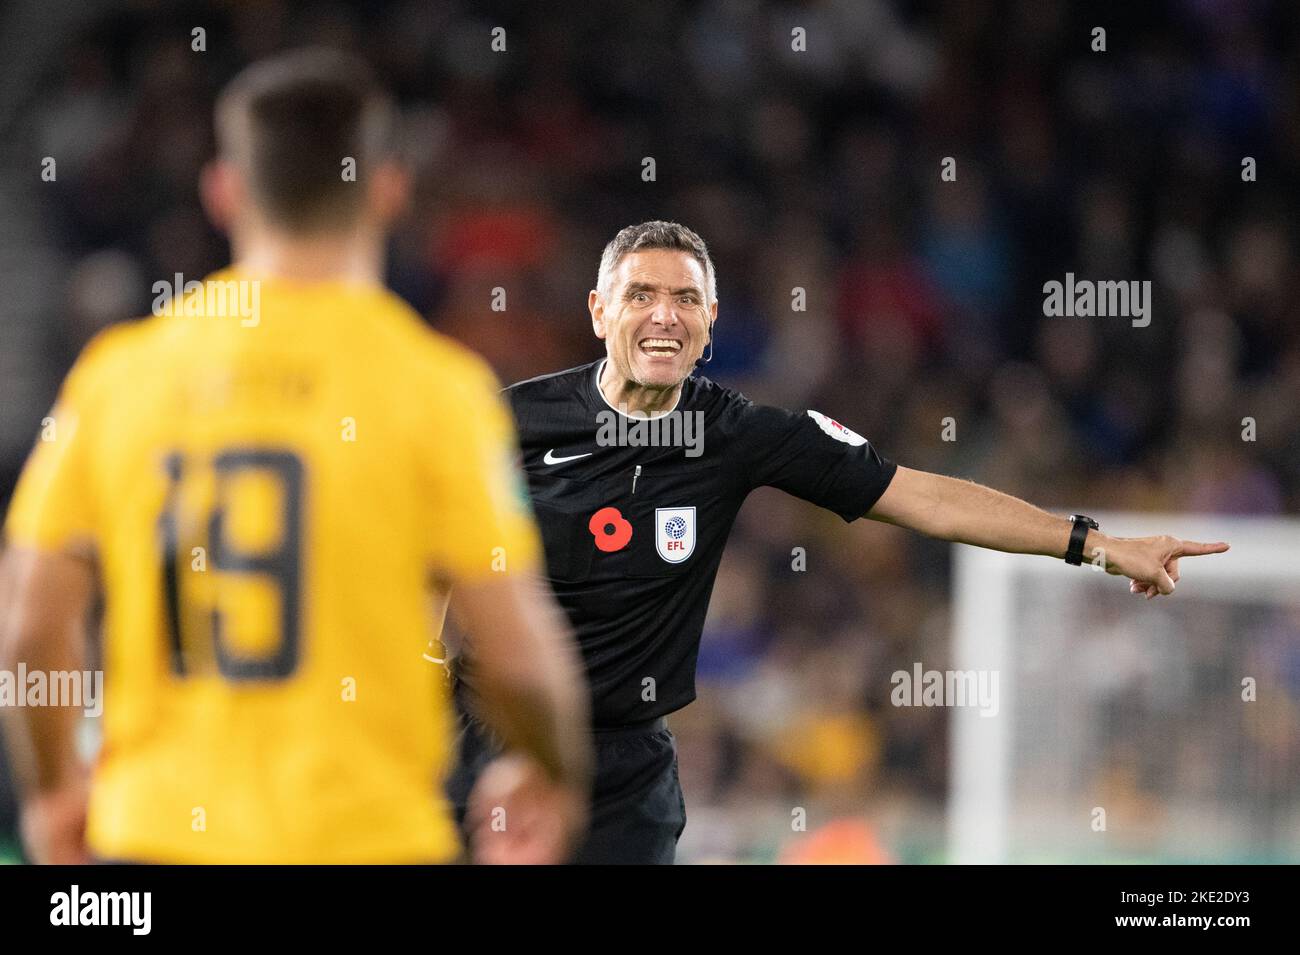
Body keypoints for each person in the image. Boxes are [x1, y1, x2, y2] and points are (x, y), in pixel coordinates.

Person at [447, 219, 1230, 864]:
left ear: (711, 321)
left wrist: (1094, 542)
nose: (665, 315)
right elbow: (430, 546)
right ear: (596, 310)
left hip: (623, 770)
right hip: (490, 737)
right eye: (641, 294)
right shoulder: (513, 419)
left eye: (687, 298)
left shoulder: (739, 432)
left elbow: (922, 496)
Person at [0, 48, 591, 865]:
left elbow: (31, 627)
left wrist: (55, 788)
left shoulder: (118, 377)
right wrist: (548, 769)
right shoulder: (438, 391)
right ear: (389, 188)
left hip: (158, 840)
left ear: (224, 191)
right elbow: (520, 655)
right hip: (367, 840)